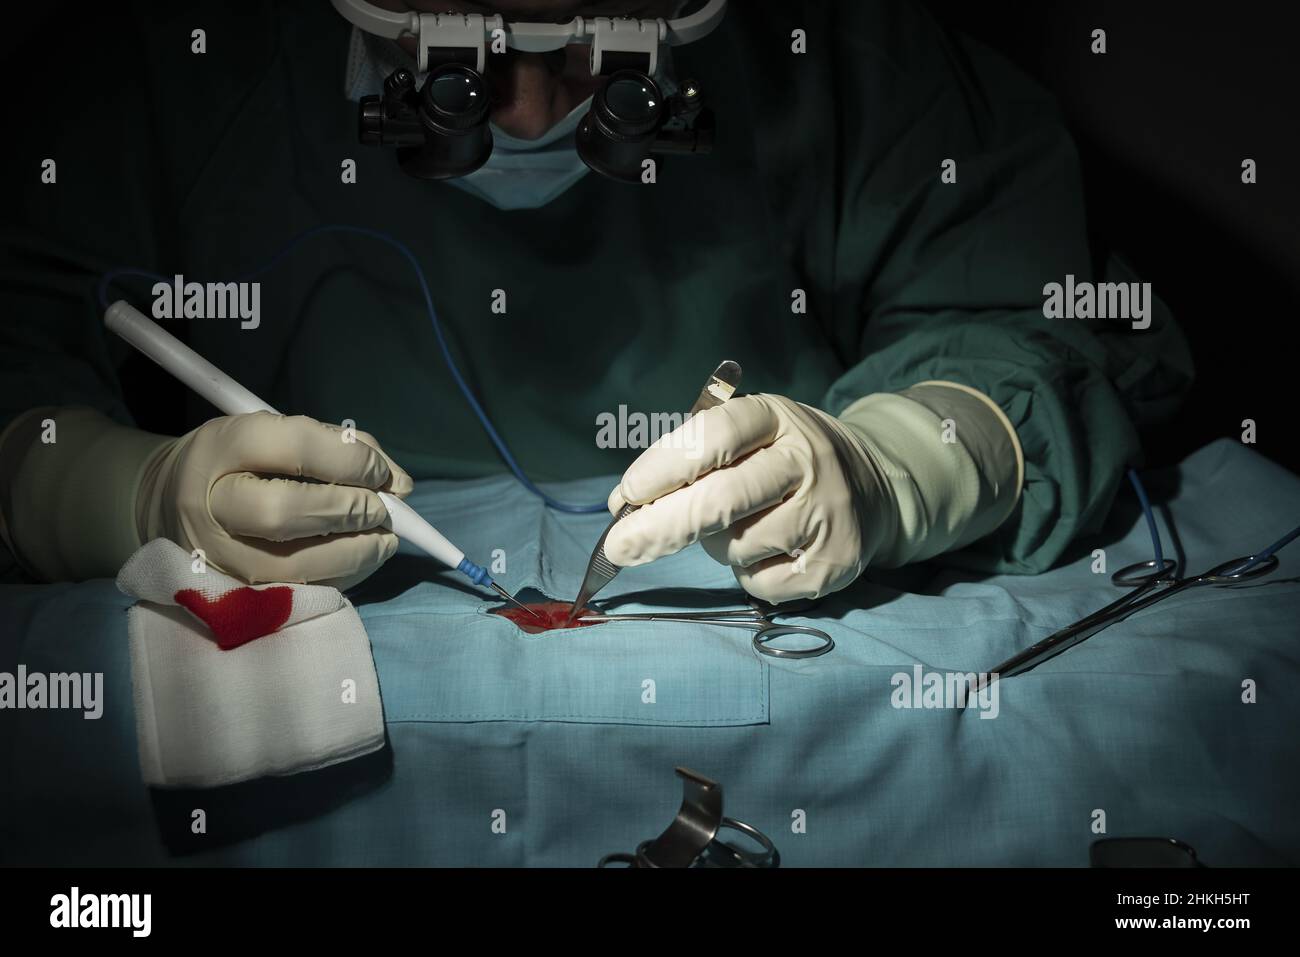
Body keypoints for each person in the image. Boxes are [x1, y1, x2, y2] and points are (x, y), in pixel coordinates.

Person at [0, 0, 1192, 599]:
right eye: (453, 68)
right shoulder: (180, 57)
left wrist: (899, 464)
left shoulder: (837, 48)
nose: (524, 114)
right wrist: (99, 488)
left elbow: (1037, 320)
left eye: (599, 69)